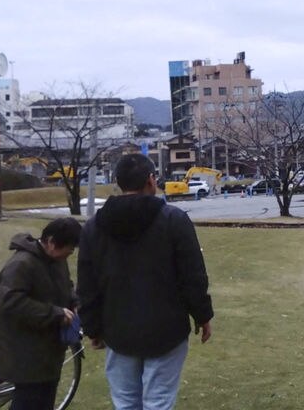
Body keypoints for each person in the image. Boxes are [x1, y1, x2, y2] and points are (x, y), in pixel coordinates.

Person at [77, 154, 214, 410]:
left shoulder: (94, 227)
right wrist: (202, 315)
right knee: (159, 401)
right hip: (167, 328)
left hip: (117, 328)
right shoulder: (173, 220)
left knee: (126, 402)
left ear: (118, 183)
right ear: (151, 180)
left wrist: (92, 327)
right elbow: (193, 276)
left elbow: (87, 285)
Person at [0, 218, 82, 410]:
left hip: (47, 352)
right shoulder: (22, 264)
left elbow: (66, 285)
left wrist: (73, 301)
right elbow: (10, 302)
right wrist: (55, 314)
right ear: (50, 241)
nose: (70, 253)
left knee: (44, 401)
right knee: (28, 402)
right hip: (26, 354)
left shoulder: (57, 259)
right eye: (68, 248)